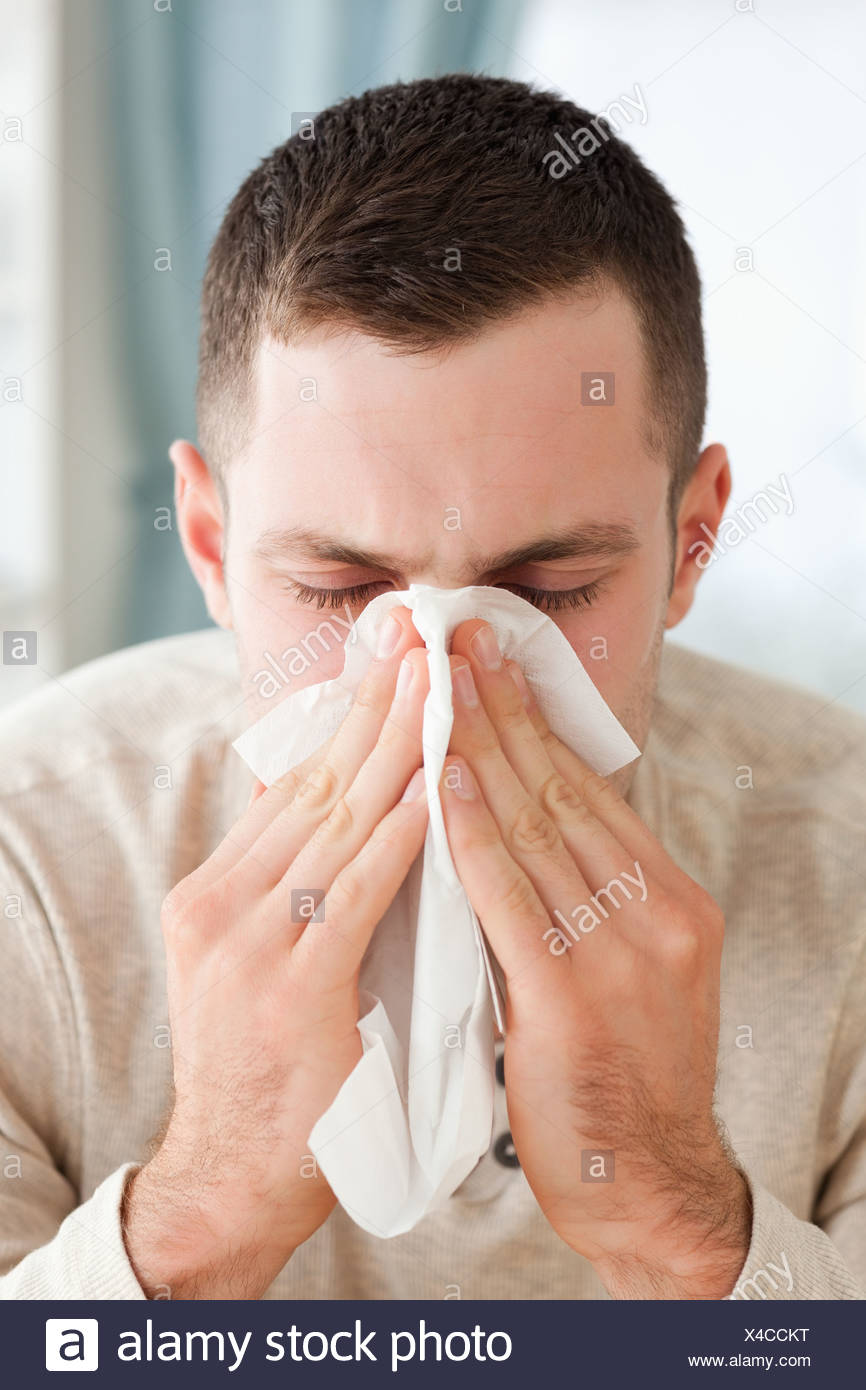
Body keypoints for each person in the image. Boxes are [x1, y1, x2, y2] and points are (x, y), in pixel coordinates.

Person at [0, 74, 863, 1302]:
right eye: (341, 586)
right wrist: (202, 1212)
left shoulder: (848, 871)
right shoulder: (28, 866)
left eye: (550, 585)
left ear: (689, 543)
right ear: (207, 545)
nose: (441, 690)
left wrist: (679, 1222)